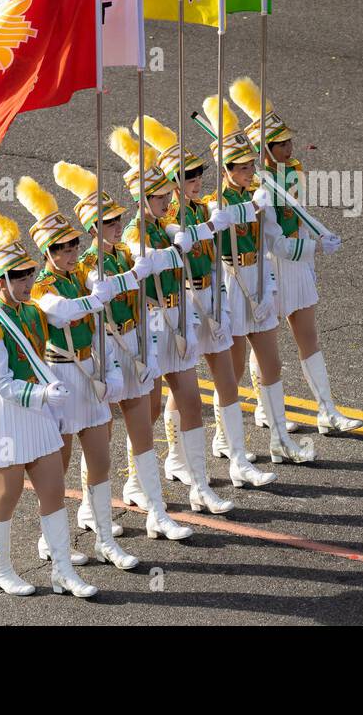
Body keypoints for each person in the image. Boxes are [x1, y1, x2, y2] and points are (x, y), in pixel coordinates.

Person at [52, 160, 194, 541]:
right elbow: (101, 287)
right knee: (98, 435)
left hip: (133, 346)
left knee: (142, 429)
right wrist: (133, 274)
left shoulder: (122, 253)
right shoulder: (87, 264)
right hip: (102, 357)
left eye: (118, 219)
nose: (118, 225)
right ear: (93, 228)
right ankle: (89, 507)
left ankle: (154, 512)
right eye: (109, 222)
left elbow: (144, 296)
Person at [135, 114, 277, 489]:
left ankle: (238, 459)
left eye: (198, 174)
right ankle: (176, 459)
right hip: (178, 305)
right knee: (175, 391)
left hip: (210, 296)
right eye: (187, 178)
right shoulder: (162, 222)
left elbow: (214, 256)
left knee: (226, 380)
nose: (196, 182)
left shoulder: (201, 208)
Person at [0, 206, 97, 598]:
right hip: (7, 416)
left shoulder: (32, 312)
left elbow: (61, 323)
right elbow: (1, 382)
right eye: (20, 278)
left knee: (54, 492)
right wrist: (42, 393)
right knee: (6, 496)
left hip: (38, 413)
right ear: (1, 282)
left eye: (30, 275)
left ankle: (61, 571)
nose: (28, 282)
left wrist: (92, 297)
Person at [15, 176, 140, 571]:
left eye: (73, 245)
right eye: (61, 248)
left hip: (90, 371)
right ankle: (50, 541)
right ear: (46, 253)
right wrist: (93, 299)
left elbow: (101, 299)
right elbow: (60, 312)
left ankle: (105, 539)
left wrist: (114, 371)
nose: (71, 252)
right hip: (61, 378)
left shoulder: (77, 275)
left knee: (101, 459)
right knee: (59, 465)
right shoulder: (43, 286)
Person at [110, 127, 235, 514]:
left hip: (176, 319)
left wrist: (186, 233)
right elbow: (141, 257)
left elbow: (181, 237)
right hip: (148, 327)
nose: (168, 202)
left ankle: (199, 484)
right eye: (161, 197)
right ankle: (135, 482)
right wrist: (168, 253)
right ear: (143, 199)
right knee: (143, 414)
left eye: (168, 196)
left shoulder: (167, 224)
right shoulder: (132, 232)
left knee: (191, 401)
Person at [229, 78, 360, 436]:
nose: (288, 148)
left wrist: (319, 234)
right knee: (264, 341)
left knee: (308, 337)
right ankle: (265, 410)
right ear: (263, 150)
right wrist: (313, 247)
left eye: (288, 142)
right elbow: (275, 242)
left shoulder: (292, 171)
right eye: (280, 144)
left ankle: (327, 411)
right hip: (272, 267)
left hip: (298, 264)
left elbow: (300, 216)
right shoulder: (258, 188)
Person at [202, 95, 314, 464]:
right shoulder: (213, 202)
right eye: (243, 167)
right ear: (227, 170)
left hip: (258, 276)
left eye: (252, 164)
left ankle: (280, 438)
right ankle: (225, 438)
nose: (250, 171)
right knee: (231, 370)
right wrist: (252, 205)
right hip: (231, 281)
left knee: (272, 363)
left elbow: (272, 241)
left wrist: (304, 247)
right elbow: (221, 222)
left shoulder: (258, 195)